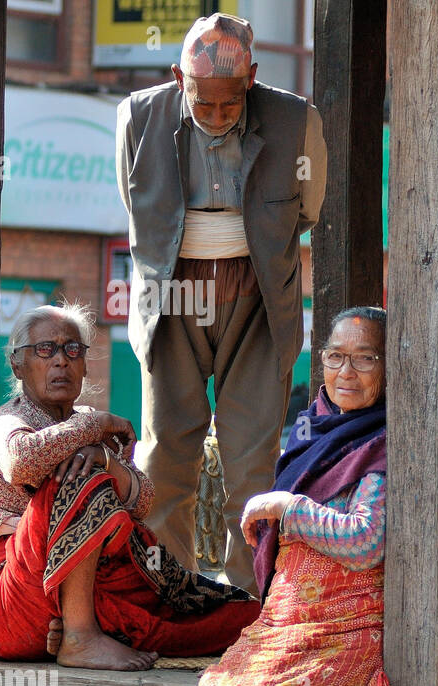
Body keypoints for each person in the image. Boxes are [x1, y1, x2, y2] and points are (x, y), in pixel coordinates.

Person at [116, 12, 327, 594]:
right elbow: (140, 210)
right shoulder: (137, 116)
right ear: (177, 77)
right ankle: (167, 593)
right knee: (164, 457)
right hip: (172, 296)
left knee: (253, 458)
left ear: (252, 81)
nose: (213, 118)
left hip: (258, 298)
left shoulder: (295, 120)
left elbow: (307, 210)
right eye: (200, 104)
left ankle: (246, 601)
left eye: (228, 107)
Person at [183, 306, 401, 686]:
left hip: (345, 625)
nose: (346, 372)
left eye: (365, 358)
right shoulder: (311, 432)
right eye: (335, 356)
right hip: (285, 623)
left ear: (390, 368)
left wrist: (288, 506)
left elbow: (366, 541)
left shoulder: (385, 443)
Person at [0, 305, 258, 671]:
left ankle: (78, 625)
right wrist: (95, 429)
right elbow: (19, 462)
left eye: (73, 350)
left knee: (244, 615)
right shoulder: (9, 419)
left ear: (85, 364)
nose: (61, 361)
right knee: (79, 473)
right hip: (11, 600)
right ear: (17, 366)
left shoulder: (89, 426)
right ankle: (79, 637)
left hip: (92, 591)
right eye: (45, 350)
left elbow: (143, 501)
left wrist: (106, 459)